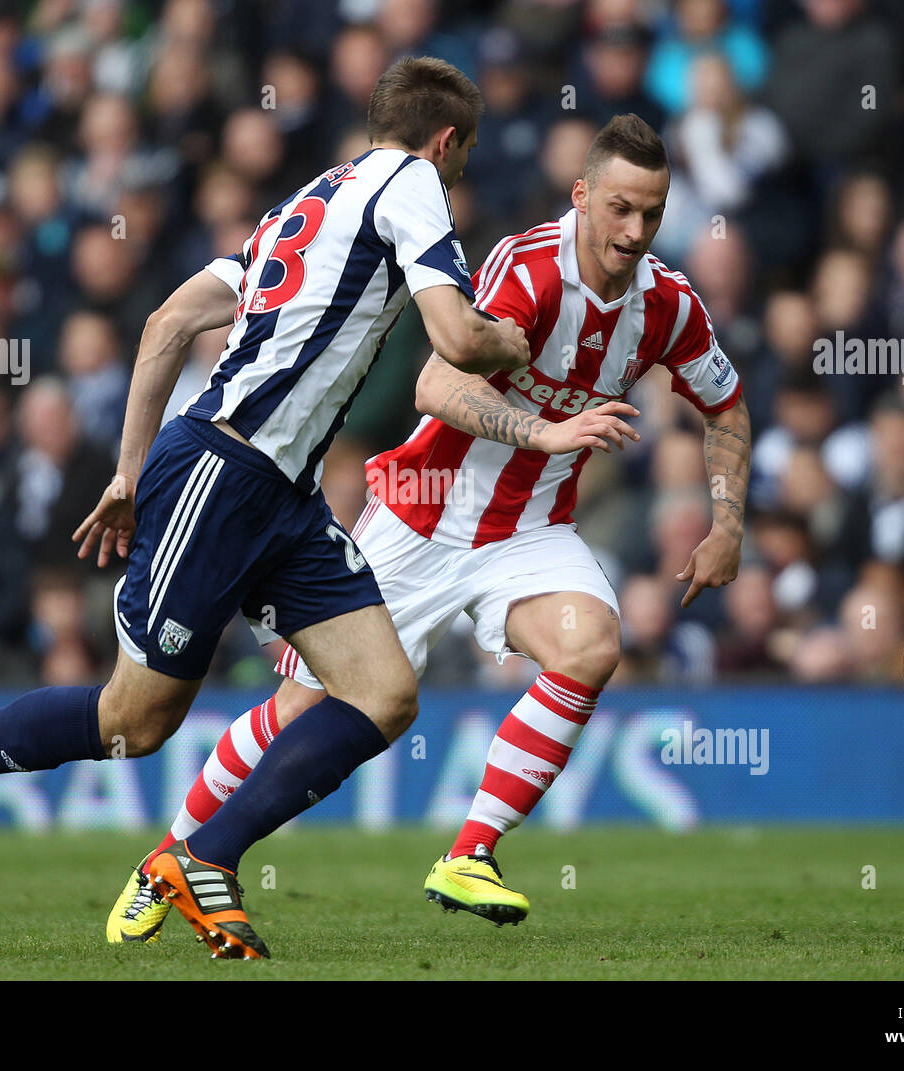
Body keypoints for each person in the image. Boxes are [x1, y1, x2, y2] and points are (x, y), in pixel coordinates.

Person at [0, 57, 530, 961]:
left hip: (280, 492)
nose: (460, 171)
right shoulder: (412, 184)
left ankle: (205, 855)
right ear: (446, 141)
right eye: (465, 154)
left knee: (385, 692)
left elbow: (168, 322)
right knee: (133, 720)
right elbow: (454, 334)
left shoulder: (305, 206)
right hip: (223, 469)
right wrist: (506, 340)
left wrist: (129, 474)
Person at [108, 113, 752, 943]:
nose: (634, 231)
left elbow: (726, 401)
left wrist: (728, 519)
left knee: (593, 644)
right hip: (419, 514)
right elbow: (435, 384)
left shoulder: (667, 303)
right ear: (582, 195)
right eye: (621, 208)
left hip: (530, 530)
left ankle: (470, 853)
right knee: (299, 705)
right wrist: (547, 432)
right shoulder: (528, 268)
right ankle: (170, 856)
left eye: (652, 214)